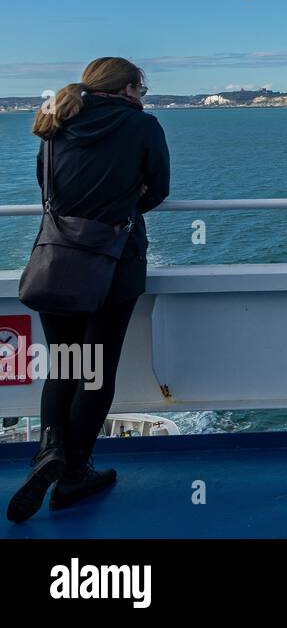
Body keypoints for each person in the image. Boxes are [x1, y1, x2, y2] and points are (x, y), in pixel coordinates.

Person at [7, 58, 170, 523]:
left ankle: (47, 451)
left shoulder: (58, 121)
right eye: (143, 86)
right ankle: (75, 472)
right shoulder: (142, 125)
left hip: (59, 262)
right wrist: (128, 195)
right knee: (97, 372)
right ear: (128, 88)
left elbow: (48, 187)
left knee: (68, 363)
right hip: (114, 265)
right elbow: (158, 191)